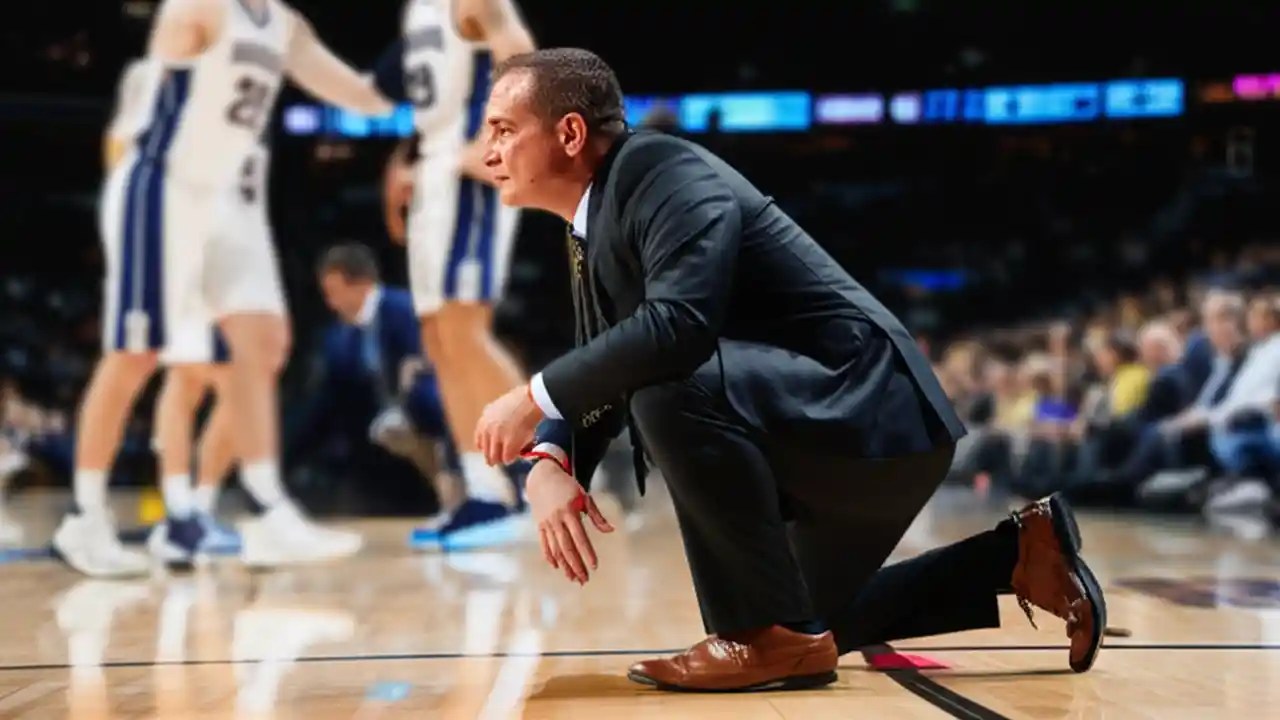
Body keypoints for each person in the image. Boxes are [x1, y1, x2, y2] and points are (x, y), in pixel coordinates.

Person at [474, 48, 1107, 692]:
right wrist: (553, 459)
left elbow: (678, 327)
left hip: (864, 400)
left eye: (502, 129)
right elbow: (606, 371)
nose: (488, 150)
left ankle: (763, 640)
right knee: (808, 625)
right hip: (813, 414)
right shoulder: (597, 217)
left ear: (571, 133)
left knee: (669, 391)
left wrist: (532, 396)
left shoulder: (660, 170)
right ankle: (1022, 555)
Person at [54, 0, 391, 577]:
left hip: (226, 203)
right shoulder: (198, 7)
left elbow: (360, 95)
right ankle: (85, 517)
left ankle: (266, 511)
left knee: (261, 345)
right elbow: (141, 109)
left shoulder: (284, 23)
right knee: (137, 355)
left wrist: (431, 88)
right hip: (163, 188)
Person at [372, 0, 536, 541]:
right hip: (435, 173)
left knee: (464, 334)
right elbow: (432, 101)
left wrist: (497, 142)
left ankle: (548, 476)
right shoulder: (418, 11)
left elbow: (525, 61)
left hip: (469, 183)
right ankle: (484, 493)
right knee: (439, 341)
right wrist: (408, 161)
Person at [313, 244, 470, 544]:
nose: (331, 303)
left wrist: (418, 367)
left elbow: (441, 356)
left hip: (435, 397)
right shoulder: (347, 331)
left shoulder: (400, 307)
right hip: (399, 406)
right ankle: (449, 499)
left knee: (427, 400)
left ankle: (464, 493)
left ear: (361, 284)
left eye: (334, 291)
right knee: (389, 431)